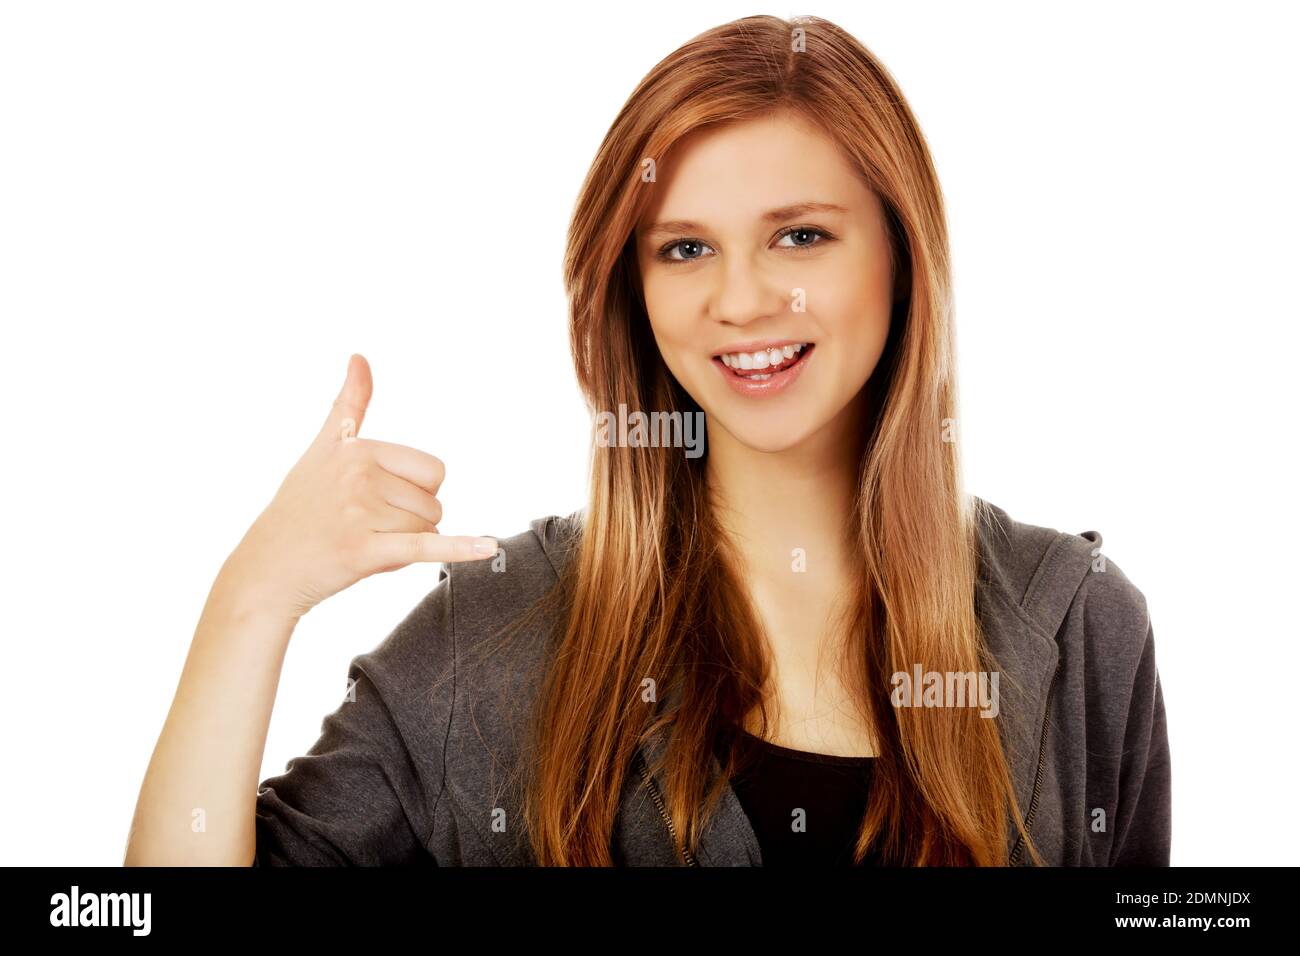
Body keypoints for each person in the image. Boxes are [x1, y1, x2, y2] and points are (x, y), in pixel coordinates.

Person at [124, 14, 1170, 867]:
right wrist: (252, 596)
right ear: (633, 287)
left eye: (799, 234)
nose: (741, 298)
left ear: (902, 255)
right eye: (684, 248)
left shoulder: (1080, 626)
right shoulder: (489, 639)